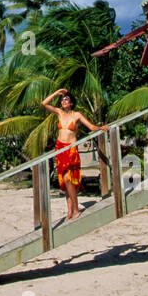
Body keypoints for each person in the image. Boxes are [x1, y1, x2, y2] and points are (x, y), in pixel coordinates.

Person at [42, 87, 98, 221]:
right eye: (62, 100)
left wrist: (101, 128)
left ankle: (76, 208)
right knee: (64, 181)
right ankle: (70, 211)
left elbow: (91, 127)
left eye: (66, 99)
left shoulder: (77, 115)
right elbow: (44, 103)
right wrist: (56, 93)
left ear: (71, 102)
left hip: (71, 149)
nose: (63, 101)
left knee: (69, 179)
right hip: (60, 148)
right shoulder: (59, 113)